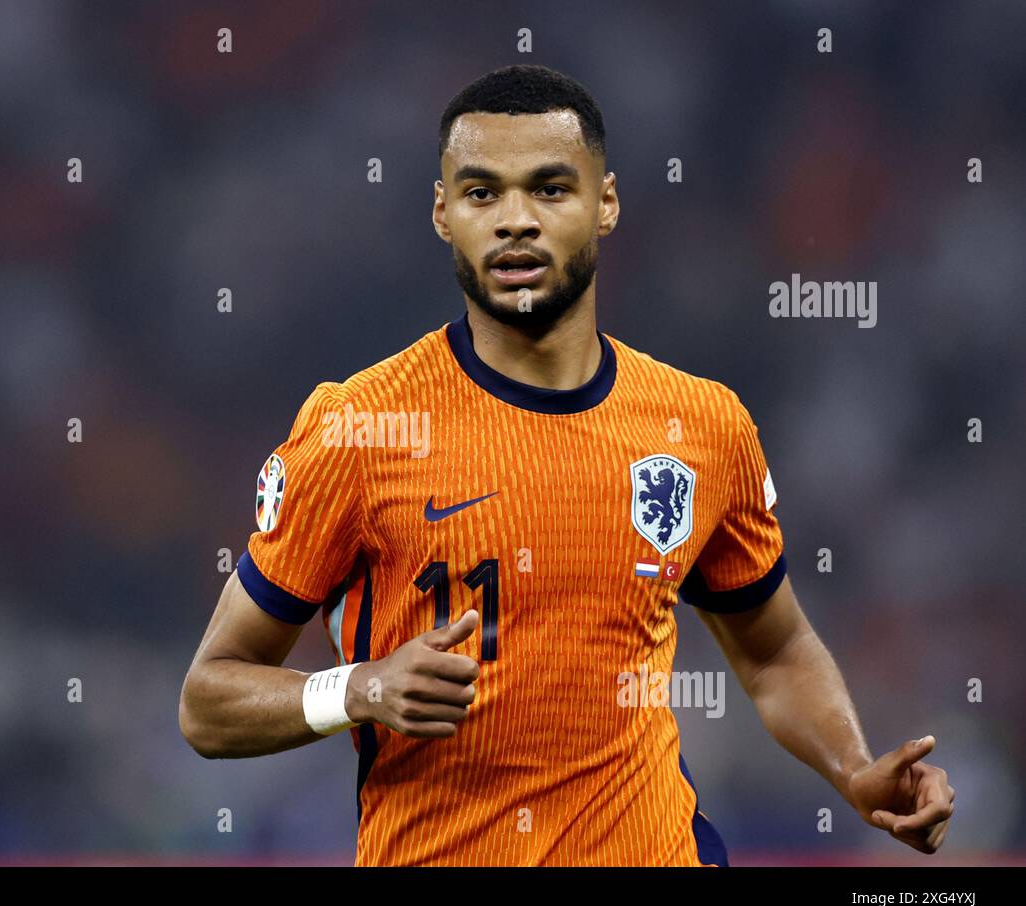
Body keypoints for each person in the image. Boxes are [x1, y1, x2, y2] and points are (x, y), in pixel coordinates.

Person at [179, 64, 954, 865]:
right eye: (483, 194)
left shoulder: (702, 424)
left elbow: (774, 650)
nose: (516, 221)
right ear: (443, 213)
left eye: (550, 189)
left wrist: (854, 767)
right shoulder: (359, 428)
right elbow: (209, 701)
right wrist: (360, 689)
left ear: (606, 203)